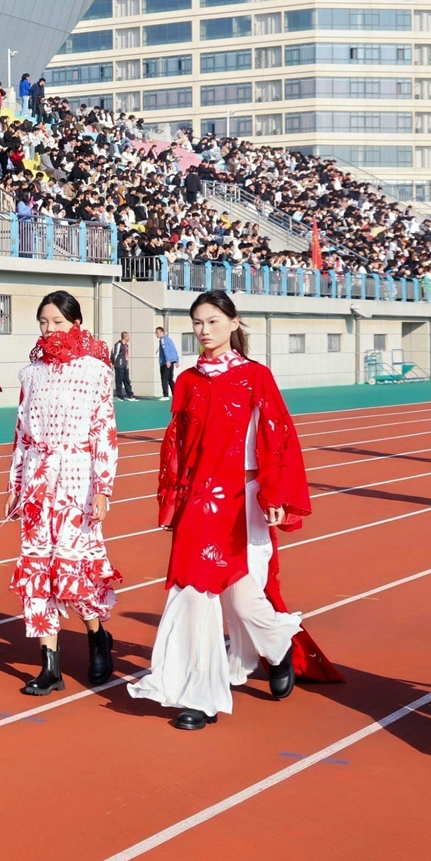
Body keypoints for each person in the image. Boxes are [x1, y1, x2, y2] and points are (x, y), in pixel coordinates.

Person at [129, 291, 336, 730]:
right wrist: (172, 498)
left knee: (243, 599)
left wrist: (275, 496)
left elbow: (278, 437)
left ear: (233, 322)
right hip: (199, 500)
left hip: (244, 500)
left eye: (212, 321)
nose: (204, 331)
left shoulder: (255, 376)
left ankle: (278, 646)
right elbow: (176, 445)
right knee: (192, 594)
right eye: (197, 323)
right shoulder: (187, 380)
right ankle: (198, 694)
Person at [0, 291, 120, 694]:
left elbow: (104, 432)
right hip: (38, 481)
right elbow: (21, 434)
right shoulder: (31, 374)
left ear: (76, 324)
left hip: (78, 483)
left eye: (58, 322)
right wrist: (16, 485)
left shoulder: (96, 371)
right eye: (43, 322)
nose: (50, 330)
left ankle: (96, 635)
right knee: (36, 568)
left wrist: (103, 488)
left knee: (73, 567)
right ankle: (50, 666)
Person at [156, 324, 181, 398]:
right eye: (156, 332)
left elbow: (166, 350)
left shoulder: (163, 340)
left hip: (166, 362)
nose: (156, 334)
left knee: (164, 378)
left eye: (158, 332)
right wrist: (176, 360)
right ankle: (176, 394)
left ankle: (165, 395)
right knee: (170, 379)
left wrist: (167, 360)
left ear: (162, 332)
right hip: (171, 361)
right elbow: (174, 349)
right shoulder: (169, 339)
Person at [110, 329, 136, 401]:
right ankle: (119, 396)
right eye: (128, 336)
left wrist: (126, 364)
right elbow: (115, 354)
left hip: (125, 366)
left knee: (127, 380)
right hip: (119, 366)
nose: (129, 338)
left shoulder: (126, 345)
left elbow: (126, 355)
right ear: (125, 337)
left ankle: (130, 395)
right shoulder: (118, 344)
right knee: (119, 381)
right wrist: (115, 363)